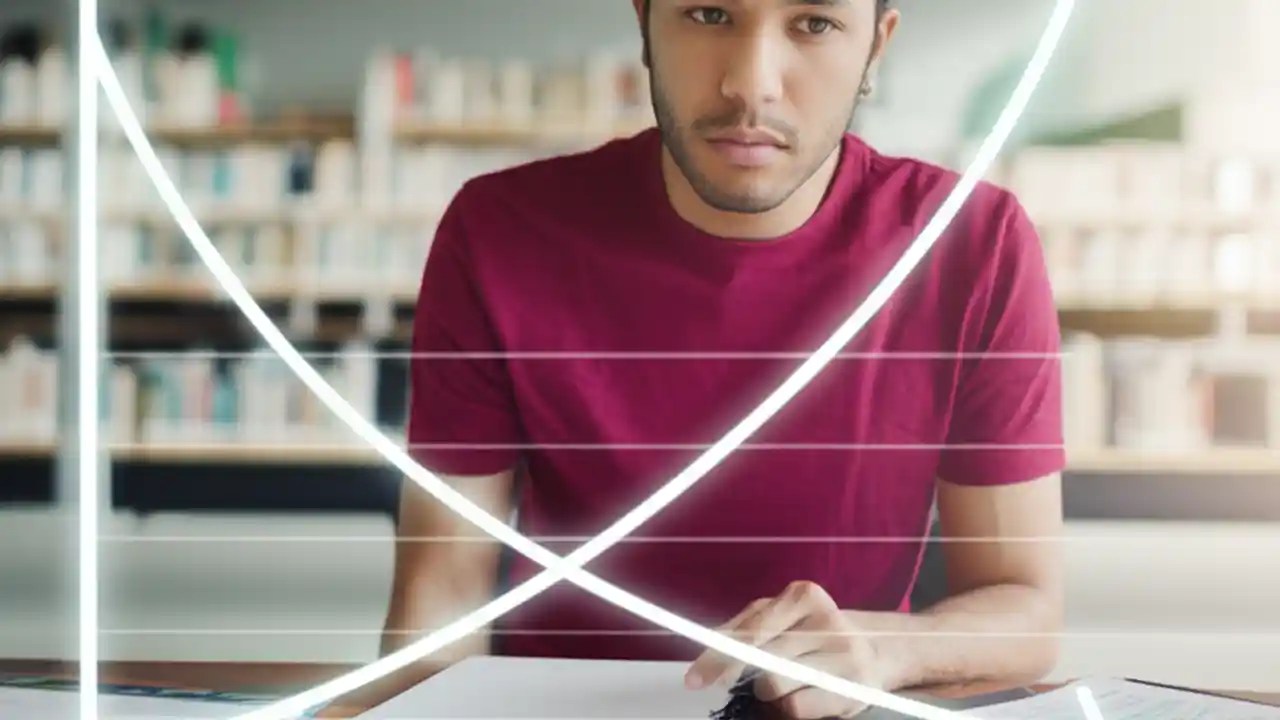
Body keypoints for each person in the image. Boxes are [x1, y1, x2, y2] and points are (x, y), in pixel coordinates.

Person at [378, 0, 1066, 717]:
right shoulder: (497, 234)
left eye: (814, 24)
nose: (750, 83)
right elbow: (441, 595)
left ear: (876, 47)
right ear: (644, 22)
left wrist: (887, 649)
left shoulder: (976, 245)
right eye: (709, 14)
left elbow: (1025, 606)